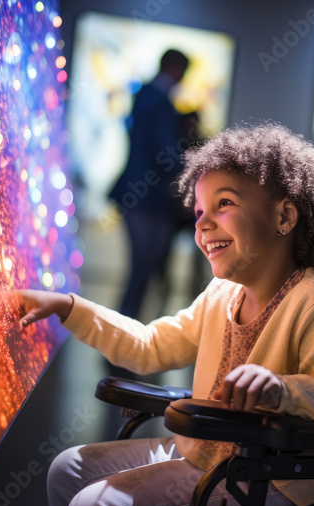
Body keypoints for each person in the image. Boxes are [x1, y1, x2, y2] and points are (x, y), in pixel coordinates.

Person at [12, 125, 314, 506]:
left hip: (279, 471)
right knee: (68, 468)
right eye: (199, 211)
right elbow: (149, 347)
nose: (202, 224)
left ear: (284, 216)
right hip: (211, 450)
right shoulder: (221, 293)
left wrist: (280, 389)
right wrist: (69, 307)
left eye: (224, 204)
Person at [108, 49, 190, 322]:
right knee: (143, 268)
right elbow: (165, 151)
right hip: (147, 197)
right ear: (177, 70)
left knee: (141, 269)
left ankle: (124, 331)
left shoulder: (143, 96)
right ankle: (124, 332)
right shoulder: (160, 101)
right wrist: (190, 173)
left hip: (138, 193)